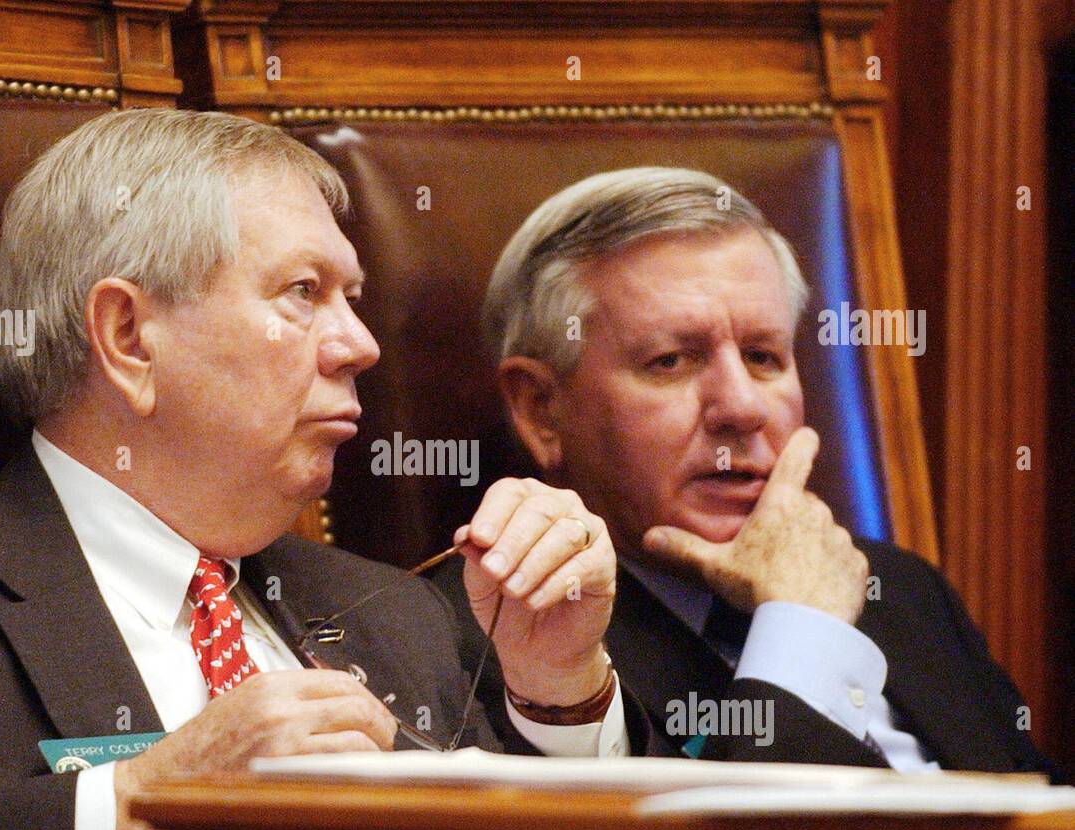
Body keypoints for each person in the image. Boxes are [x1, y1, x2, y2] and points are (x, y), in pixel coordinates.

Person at [0, 110, 630, 830]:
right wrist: (147, 800)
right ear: (128, 335)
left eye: (353, 295)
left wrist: (557, 689)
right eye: (304, 291)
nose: (361, 343)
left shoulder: (395, 613)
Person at [438, 166, 1058, 777]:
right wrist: (803, 630)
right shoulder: (492, 636)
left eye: (763, 357)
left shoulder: (899, 589)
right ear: (541, 409)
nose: (741, 407)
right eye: (671, 360)